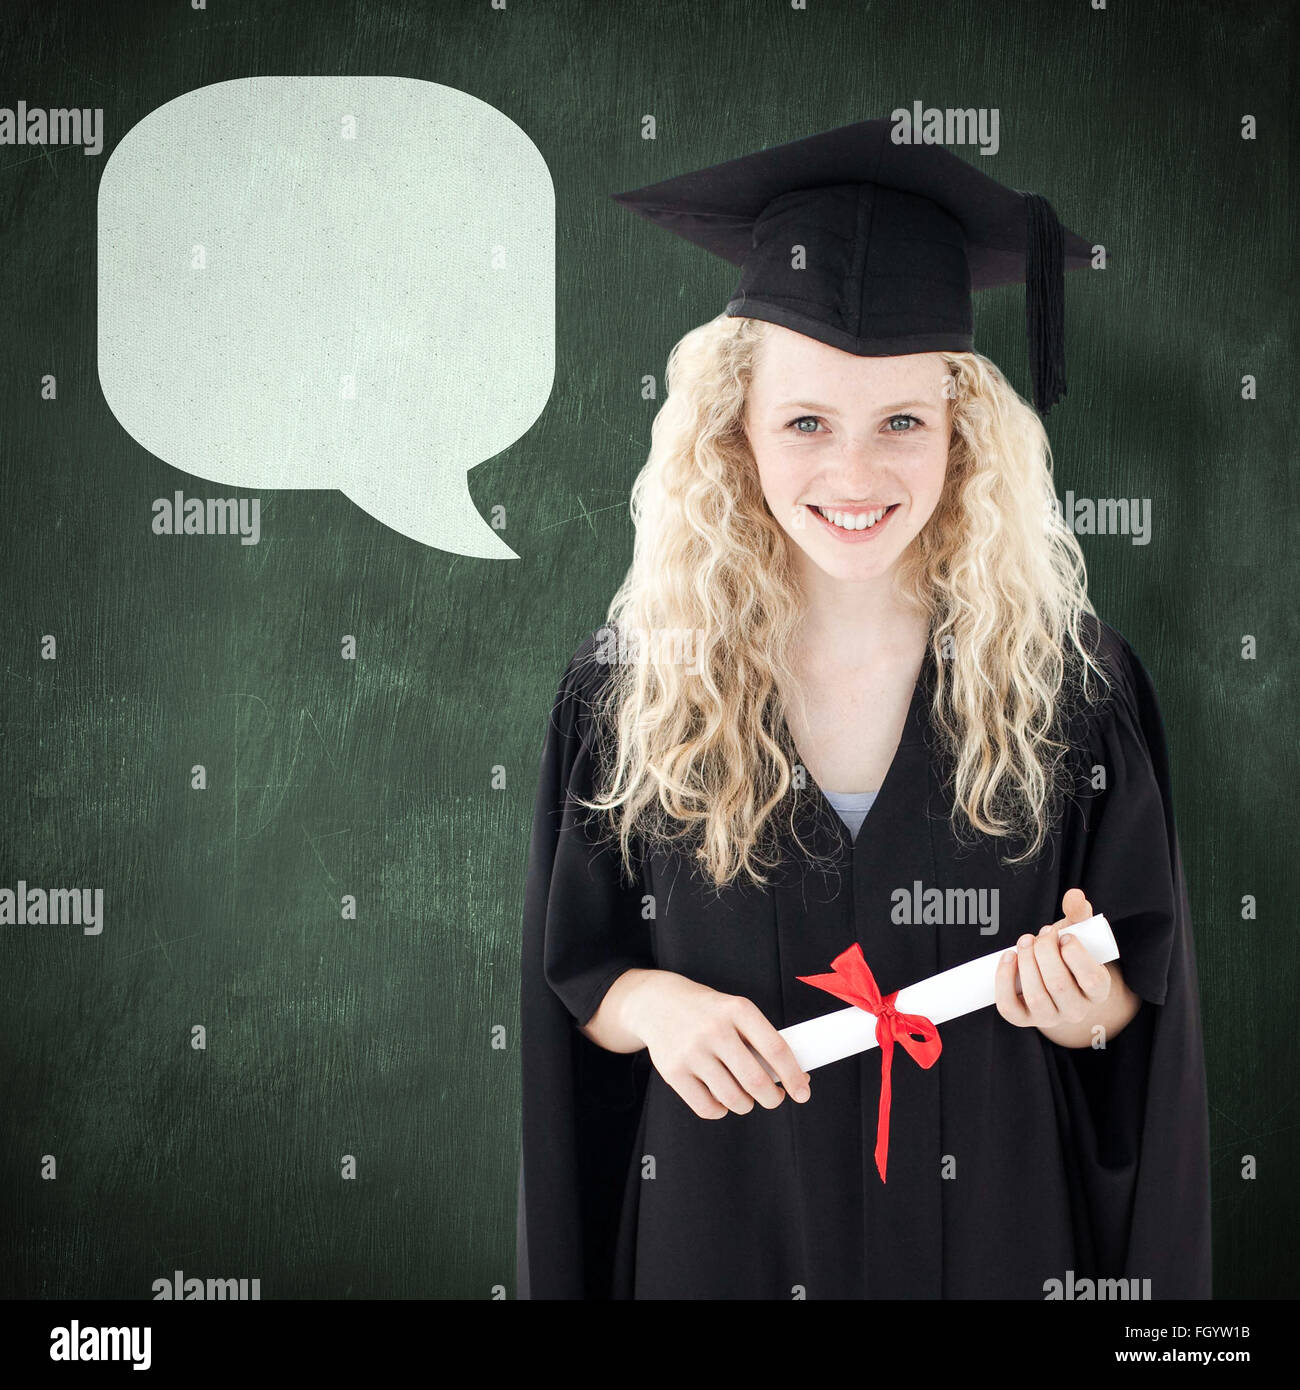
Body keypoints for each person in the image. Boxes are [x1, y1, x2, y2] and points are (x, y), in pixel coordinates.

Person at [517, 118, 1211, 1300]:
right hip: (717, 1230)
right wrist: (659, 1008)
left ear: (964, 436)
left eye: (902, 421)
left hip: (995, 1234)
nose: (853, 475)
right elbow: (575, 985)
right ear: (734, 436)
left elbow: (1137, 1006)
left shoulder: (1070, 687)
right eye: (804, 423)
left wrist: (1080, 1005)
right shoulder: (634, 685)